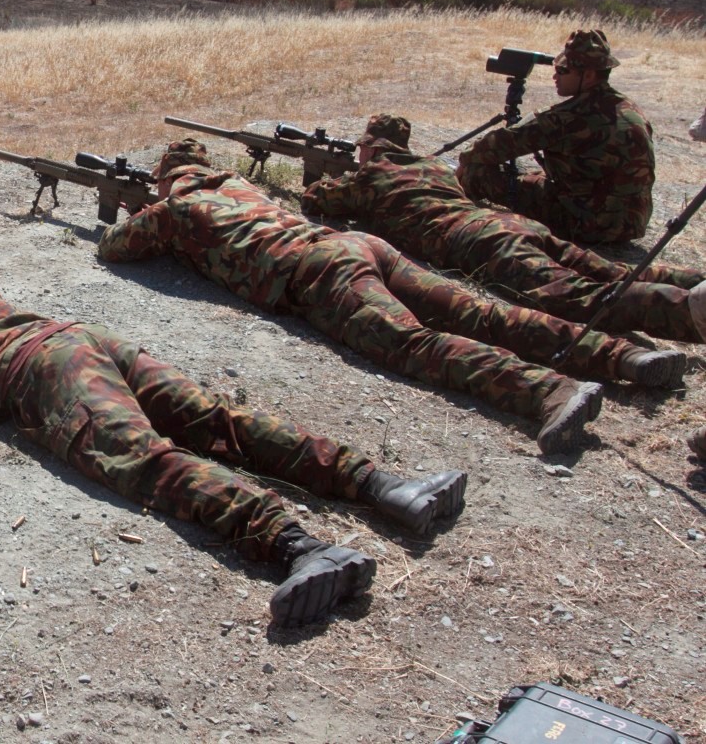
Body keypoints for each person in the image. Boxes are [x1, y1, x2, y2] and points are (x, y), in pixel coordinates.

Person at [0, 210, 469, 629]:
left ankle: (297, 546)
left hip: (41, 372)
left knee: (147, 461)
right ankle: (385, 486)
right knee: (216, 419)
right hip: (82, 337)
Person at [97, 140, 678, 455]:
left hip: (319, 273)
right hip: (359, 245)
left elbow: (115, 249)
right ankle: (623, 356)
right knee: (480, 310)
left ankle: (549, 389)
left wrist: (138, 210)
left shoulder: (175, 208)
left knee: (413, 345)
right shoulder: (238, 184)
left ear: (166, 180)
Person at [302, 114, 704, 367]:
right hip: (510, 224)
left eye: (362, 149)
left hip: (482, 242)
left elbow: (316, 200)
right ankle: (693, 280)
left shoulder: (371, 175)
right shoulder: (434, 166)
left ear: (370, 147)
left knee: (574, 296)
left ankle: (688, 312)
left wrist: (326, 174)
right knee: (609, 270)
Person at [456, 28, 655, 244]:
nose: (555, 76)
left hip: (585, 224)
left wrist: (464, 161)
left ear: (588, 75)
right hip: (632, 223)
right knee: (530, 175)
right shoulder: (632, 110)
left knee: (477, 173)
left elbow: (496, 146)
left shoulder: (567, 117)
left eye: (562, 70)